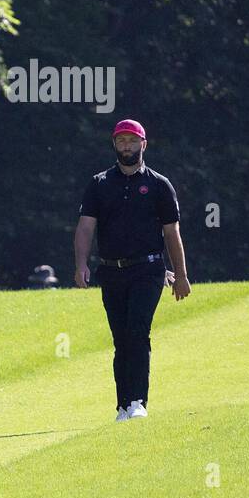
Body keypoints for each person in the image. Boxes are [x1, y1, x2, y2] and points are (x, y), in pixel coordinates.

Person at [73, 119, 191, 421]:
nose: (127, 146)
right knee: (121, 338)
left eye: (132, 141)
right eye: (121, 141)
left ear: (143, 144)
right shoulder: (99, 184)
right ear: (115, 145)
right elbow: (86, 228)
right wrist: (81, 264)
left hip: (148, 270)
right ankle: (123, 405)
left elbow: (171, 232)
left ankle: (138, 401)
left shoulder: (158, 185)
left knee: (138, 332)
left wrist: (181, 275)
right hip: (111, 272)